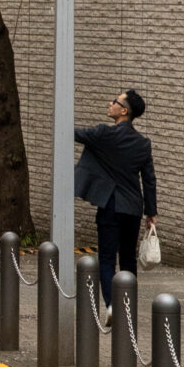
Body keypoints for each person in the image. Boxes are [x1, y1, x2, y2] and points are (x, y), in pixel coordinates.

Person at [73, 88, 158, 290]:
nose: (110, 104)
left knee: (107, 259)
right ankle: (128, 308)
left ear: (124, 112)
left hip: (110, 205)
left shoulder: (104, 134)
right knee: (128, 259)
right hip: (132, 208)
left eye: (115, 101)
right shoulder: (143, 144)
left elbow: (75, 134)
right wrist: (151, 212)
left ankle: (112, 305)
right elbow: (149, 180)